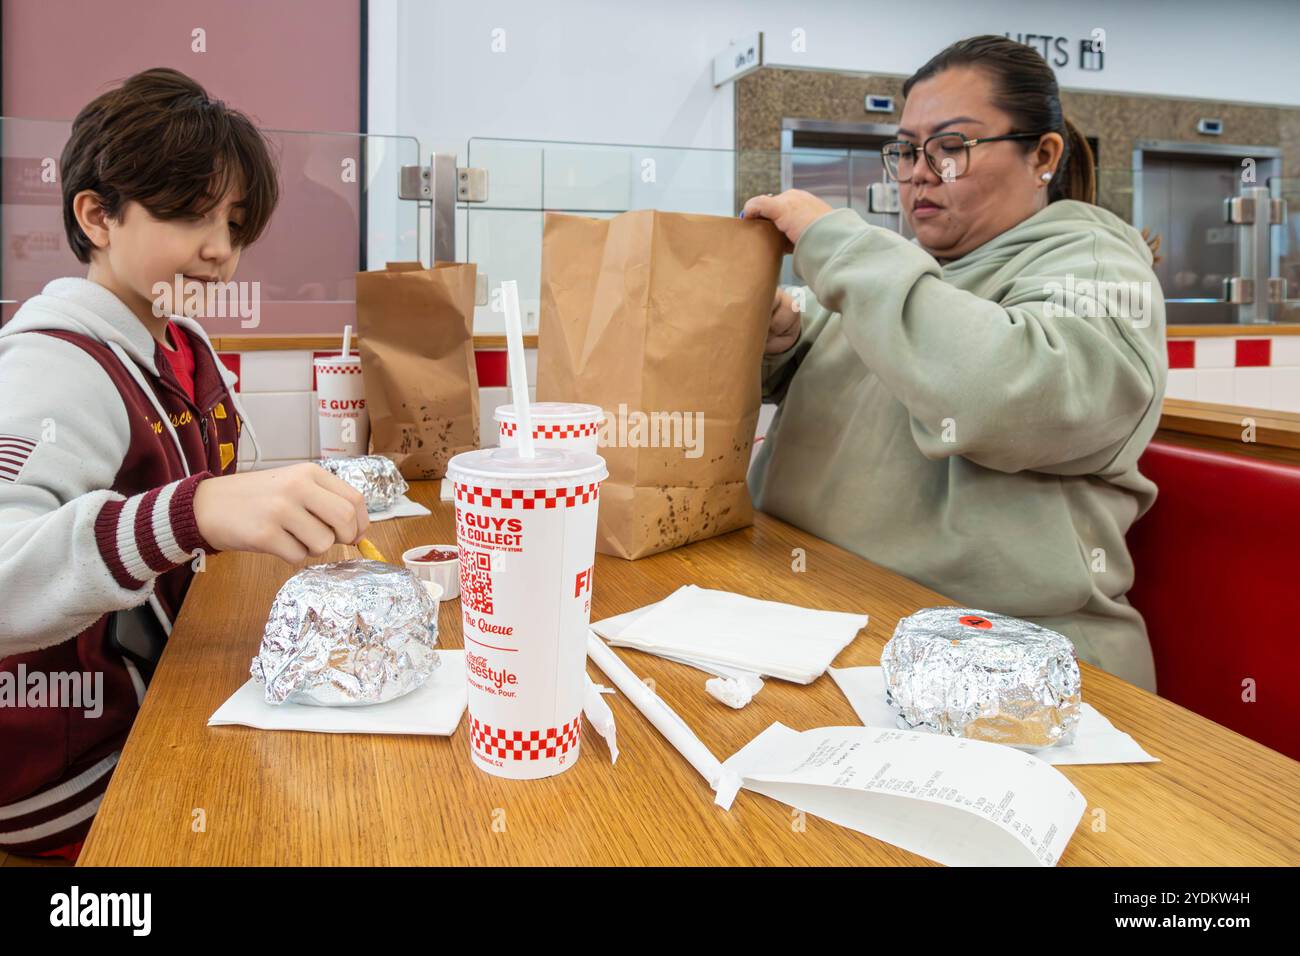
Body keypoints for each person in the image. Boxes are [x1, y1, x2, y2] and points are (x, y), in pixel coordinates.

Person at [0, 68, 370, 859]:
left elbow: (239, 481)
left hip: (172, 696)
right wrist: (194, 512)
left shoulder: (185, 345)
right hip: (78, 775)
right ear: (97, 215)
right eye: (189, 214)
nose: (220, 252)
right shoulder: (52, 364)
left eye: (235, 224)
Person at [742, 35, 1167, 690]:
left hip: (1001, 663)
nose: (917, 172)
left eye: (950, 148)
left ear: (1042, 156)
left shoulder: (1093, 262)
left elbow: (1003, 397)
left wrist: (839, 245)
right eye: (908, 150)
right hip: (825, 615)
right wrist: (780, 342)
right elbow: (845, 376)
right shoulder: (911, 276)